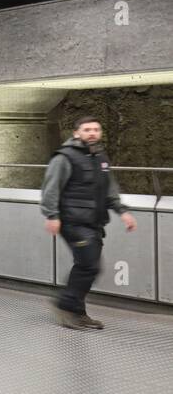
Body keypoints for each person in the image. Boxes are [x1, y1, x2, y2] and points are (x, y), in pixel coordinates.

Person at [41, 116, 136, 330]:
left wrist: (123, 212)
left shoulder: (99, 157)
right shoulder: (64, 157)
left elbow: (109, 189)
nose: (92, 133)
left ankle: (77, 312)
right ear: (76, 133)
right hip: (73, 221)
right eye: (87, 129)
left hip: (94, 221)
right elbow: (50, 188)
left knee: (86, 265)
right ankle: (65, 305)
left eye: (95, 129)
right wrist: (52, 215)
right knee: (89, 265)